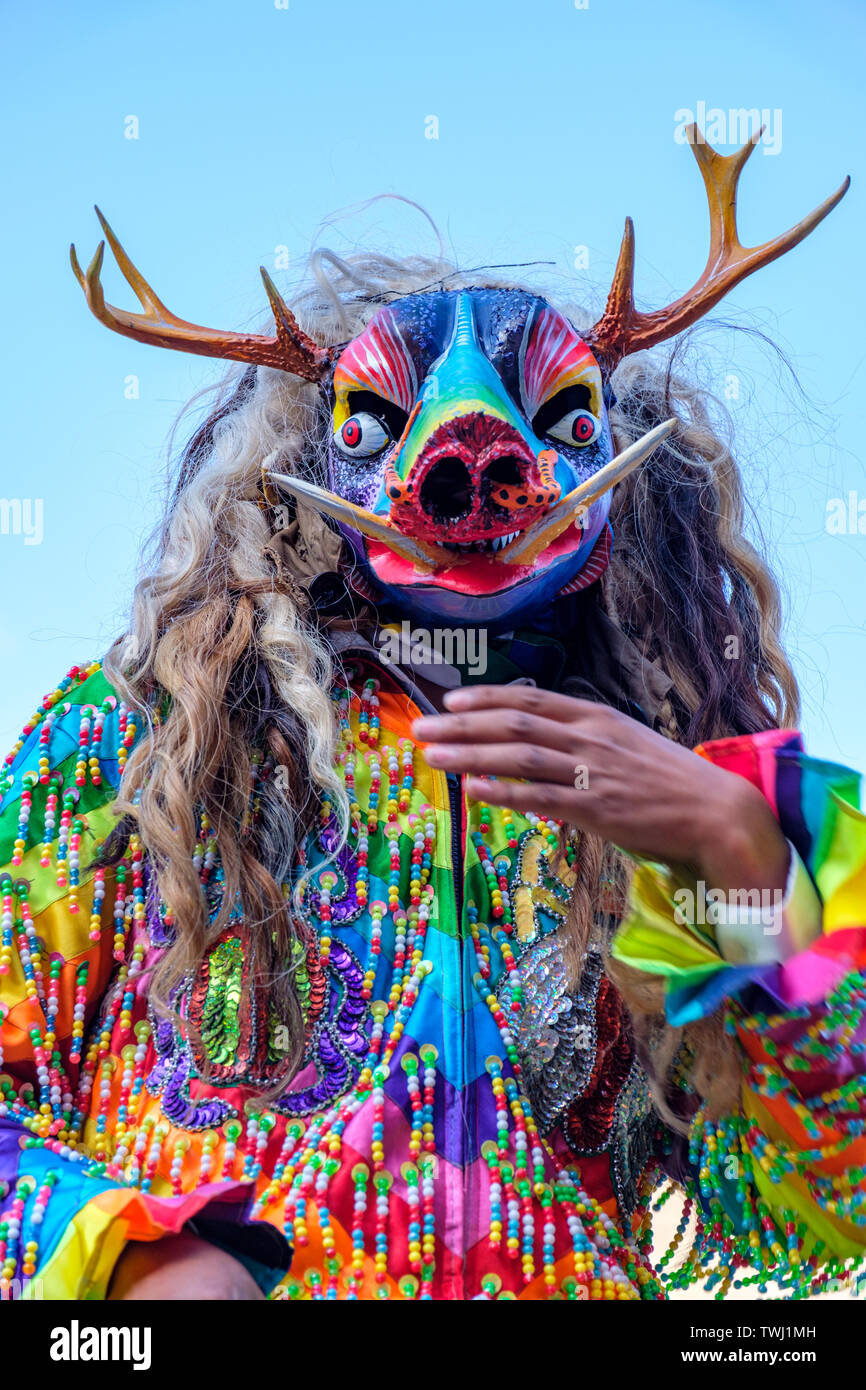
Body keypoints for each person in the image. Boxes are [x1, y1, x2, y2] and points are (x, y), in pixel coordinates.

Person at [1, 125, 862, 1302]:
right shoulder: (135, 744)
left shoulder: (682, 794)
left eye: (554, 416)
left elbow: (839, 1209)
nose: (471, 463)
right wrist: (137, 1257)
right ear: (307, 460)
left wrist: (746, 852)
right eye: (373, 420)